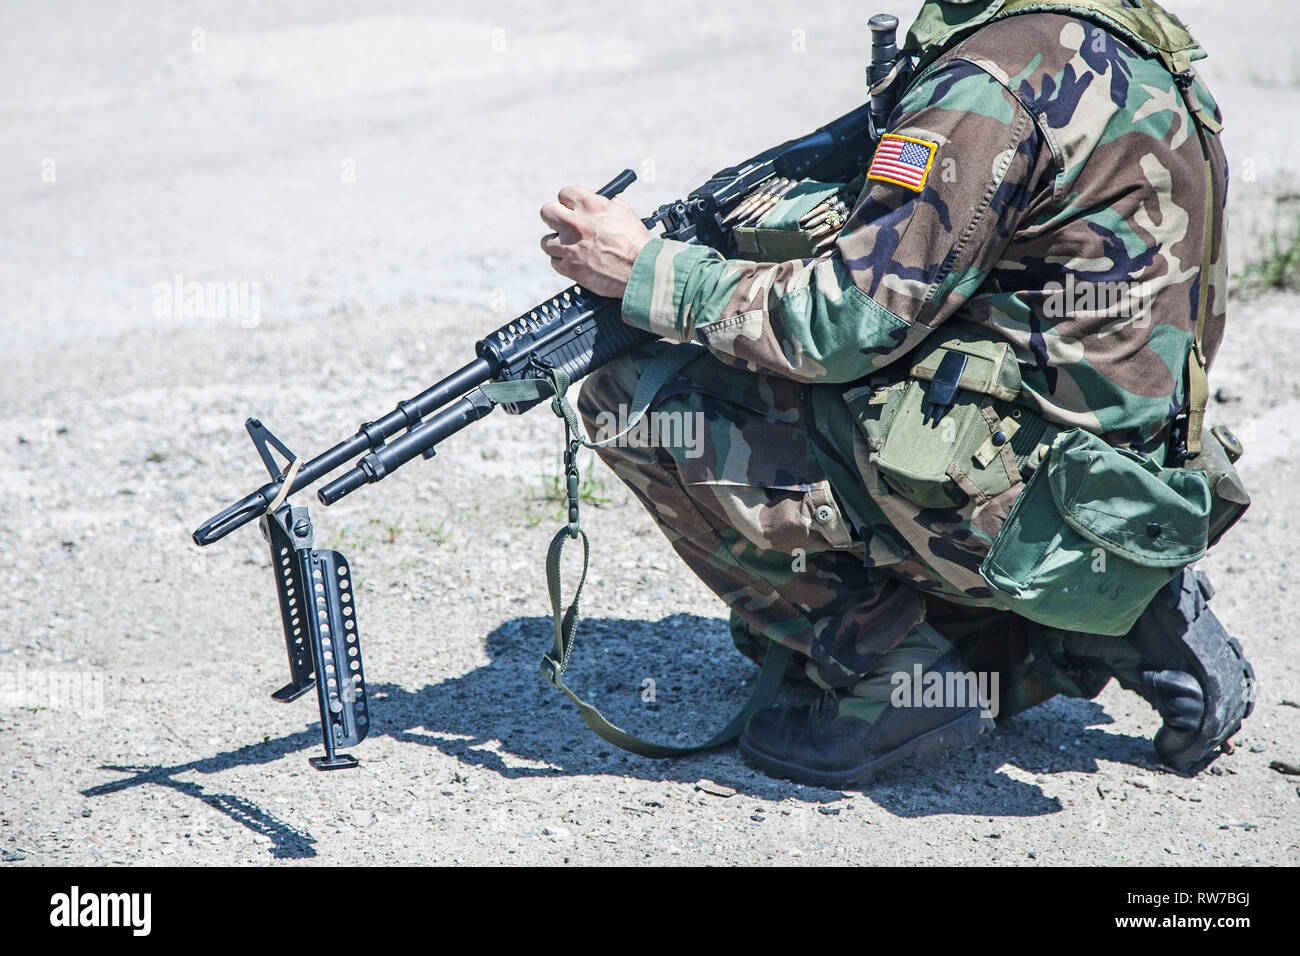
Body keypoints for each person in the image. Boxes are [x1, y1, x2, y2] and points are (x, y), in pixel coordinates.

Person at [537, 0, 1254, 787]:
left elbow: (847, 325)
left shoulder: (986, 83)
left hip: (1016, 507)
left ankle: (896, 681)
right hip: (1140, 477)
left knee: (634, 390)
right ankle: (1120, 612)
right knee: (769, 635)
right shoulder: (1138, 40)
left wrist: (646, 269)